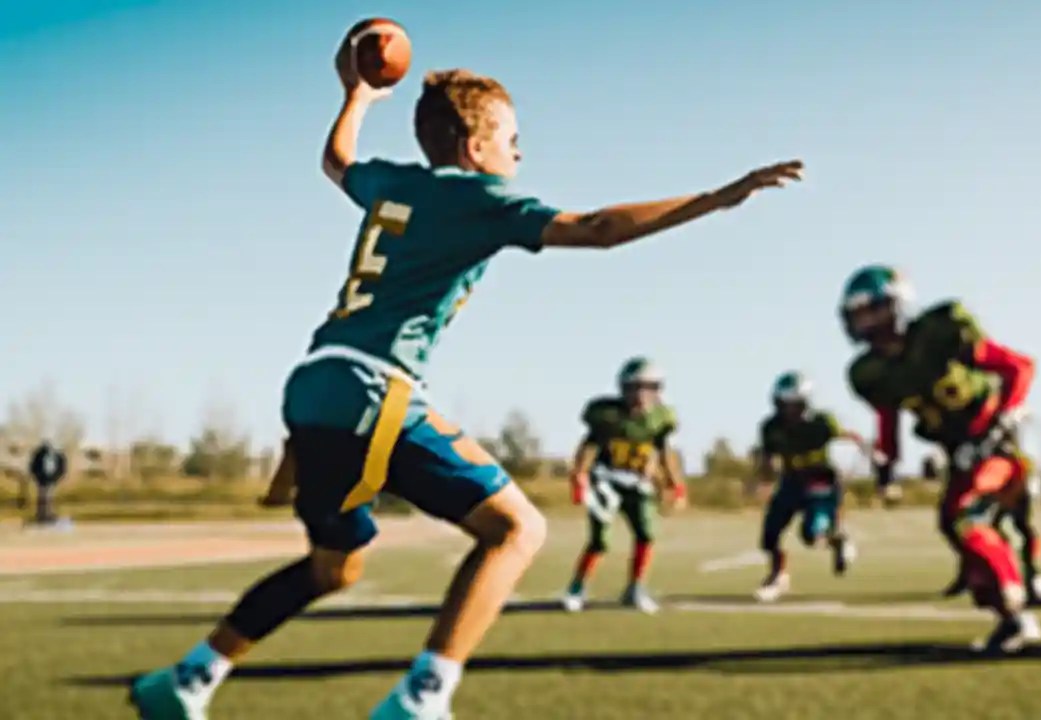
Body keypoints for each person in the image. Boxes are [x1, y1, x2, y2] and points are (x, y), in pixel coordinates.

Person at [129, 32, 802, 720]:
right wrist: (717, 197)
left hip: (312, 386)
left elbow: (337, 163)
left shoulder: (393, 182)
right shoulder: (482, 198)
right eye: (513, 136)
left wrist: (357, 96)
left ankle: (186, 679)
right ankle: (423, 697)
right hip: (372, 386)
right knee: (517, 530)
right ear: (476, 148)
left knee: (335, 567)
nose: (521, 151)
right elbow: (597, 229)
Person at [841, 265, 1041, 654]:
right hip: (960, 450)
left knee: (967, 515)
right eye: (856, 313)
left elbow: (1019, 367)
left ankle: (1020, 603)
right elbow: (889, 417)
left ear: (893, 307)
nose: (860, 320)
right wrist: (887, 465)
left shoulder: (940, 333)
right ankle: (1007, 609)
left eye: (868, 310)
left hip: (997, 439)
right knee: (957, 527)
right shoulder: (874, 372)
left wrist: (1004, 419)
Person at [561, 357, 685, 615]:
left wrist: (676, 484)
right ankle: (577, 586)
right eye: (635, 387)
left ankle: (636, 587)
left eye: (649, 388)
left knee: (646, 534)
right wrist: (579, 475)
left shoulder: (660, 419)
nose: (641, 395)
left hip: (638, 482)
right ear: (623, 389)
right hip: (606, 479)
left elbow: (664, 451)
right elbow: (589, 444)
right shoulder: (607, 415)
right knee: (600, 541)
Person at [754, 371, 867, 602]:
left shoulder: (821, 423)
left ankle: (838, 538)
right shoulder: (771, 427)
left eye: (793, 404)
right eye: (784, 403)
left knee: (812, 534)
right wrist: (762, 478)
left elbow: (851, 437)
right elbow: (766, 459)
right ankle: (778, 576)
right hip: (791, 481)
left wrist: (868, 454)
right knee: (770, 534)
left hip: (820, 480)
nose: (788, 410)